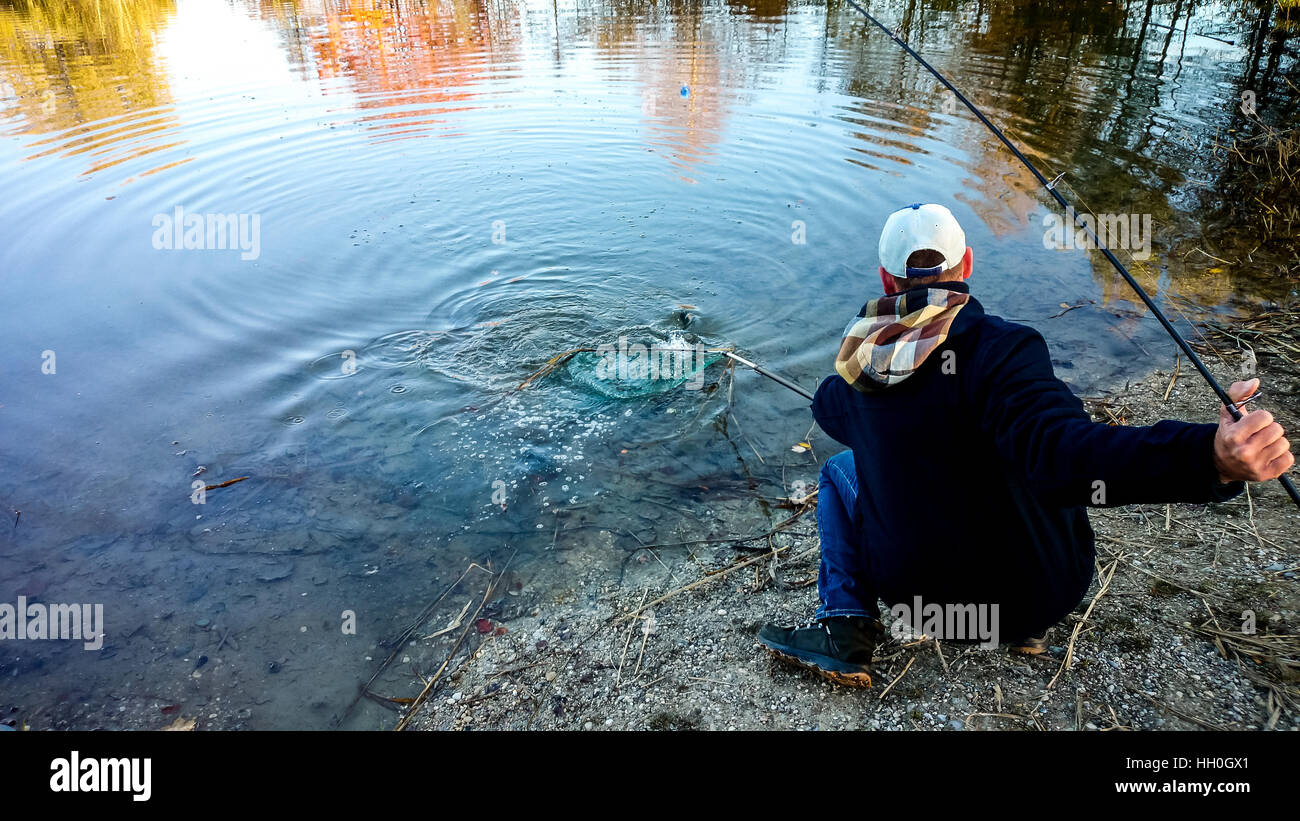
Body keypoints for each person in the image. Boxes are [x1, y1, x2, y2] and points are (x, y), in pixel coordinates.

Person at [756, 202, 1294, 687]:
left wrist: (1208, 456)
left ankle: (845, 626)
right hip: (1039, 596)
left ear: (884, 279)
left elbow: (830, 409)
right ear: (966, 265)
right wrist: (1207, 457)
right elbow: (1063, 453)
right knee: (1018, 456)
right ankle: (1022, 632)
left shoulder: (859, 375)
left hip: (918, 605)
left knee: (841, 470)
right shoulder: (1005, 351)